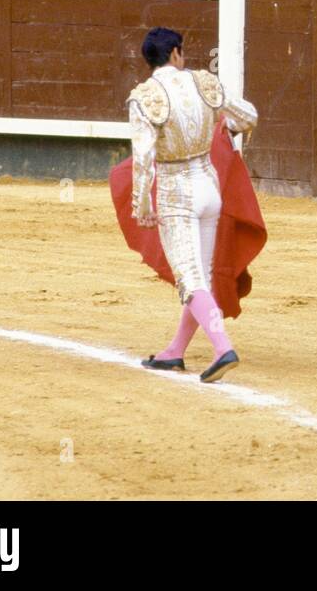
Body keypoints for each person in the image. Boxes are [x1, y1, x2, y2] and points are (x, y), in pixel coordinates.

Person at [126, 26, 258, 383]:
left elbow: (143, 157)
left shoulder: (144, 97)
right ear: (175, 54)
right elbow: (248, 117)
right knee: (199, 274)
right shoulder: (205, 84)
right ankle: (175, 352)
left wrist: (141, 204)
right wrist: (222, 123)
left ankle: (222, 348)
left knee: (190, 278)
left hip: (175, 194)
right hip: (209, 189)